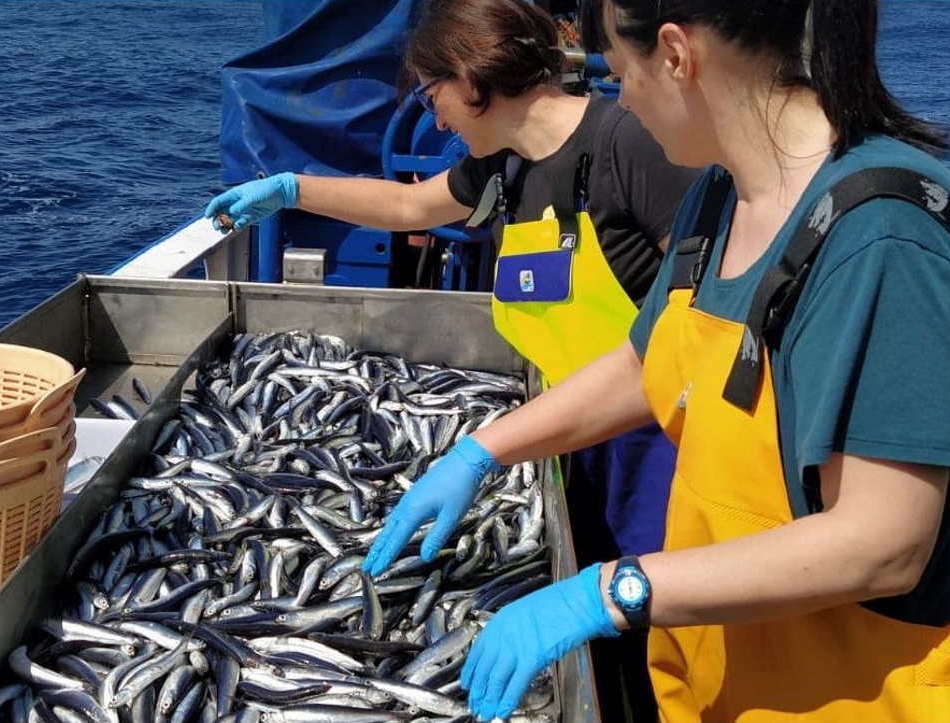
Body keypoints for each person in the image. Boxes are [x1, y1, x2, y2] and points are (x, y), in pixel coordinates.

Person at [361, 0, 950, 720]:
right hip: (748, 670)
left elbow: (883, 542)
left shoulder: (885, 241)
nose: (618, 98)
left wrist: (609, 592)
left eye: (622, 74)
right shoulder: (720, 196)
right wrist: (480, 451)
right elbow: (646, 362)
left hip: (878, 694)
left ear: (678, 56)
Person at [207, 2, 697, 720]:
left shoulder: (631, 148)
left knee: (669, 654)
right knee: (606, 654)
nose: (434, 118)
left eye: (432, 94)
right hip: (571, 442)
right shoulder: (505, 166)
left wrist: (479, 453)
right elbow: (410, 209)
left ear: (471, 83)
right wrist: (292, 189)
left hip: (664, 458)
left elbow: (697, 329)